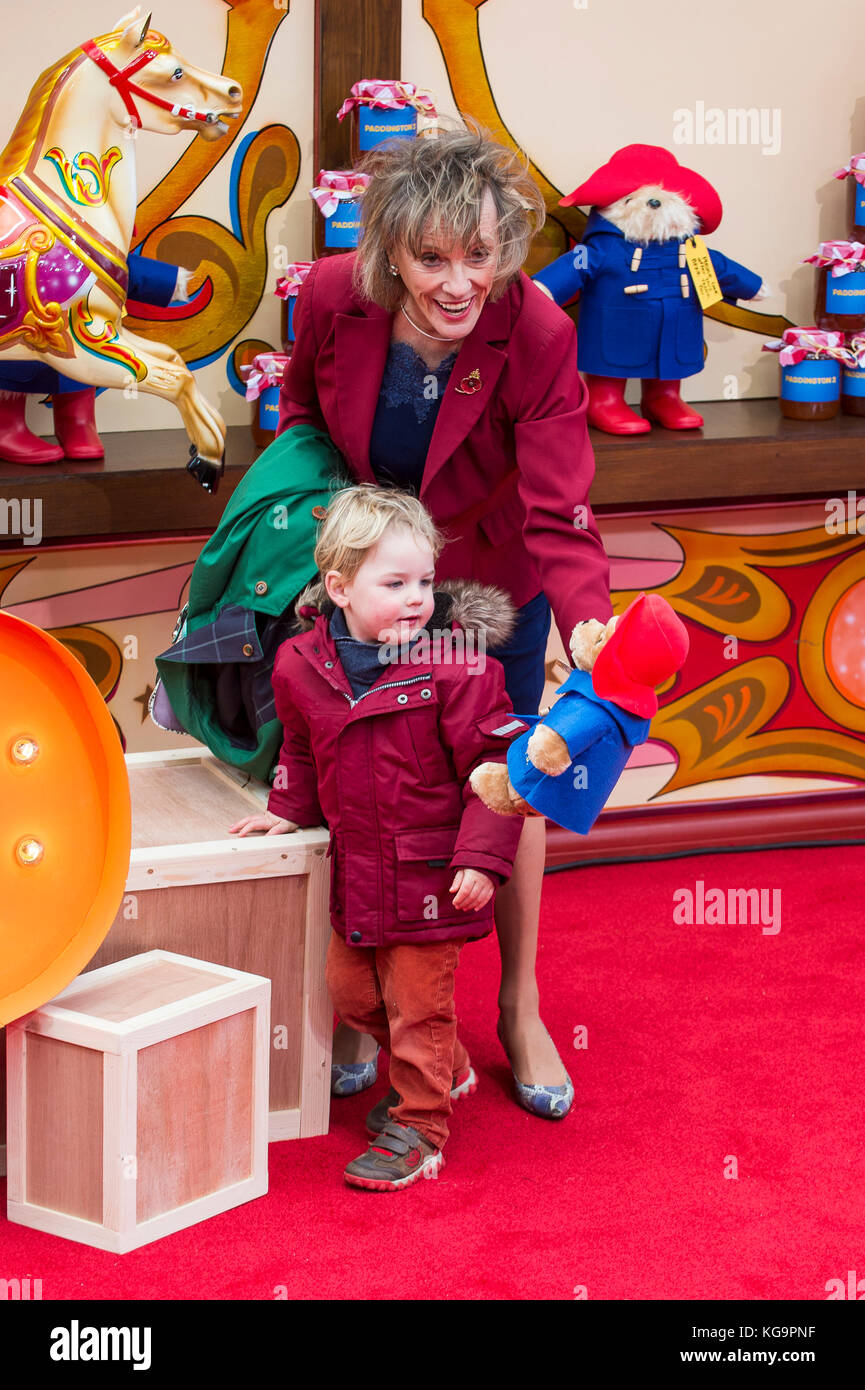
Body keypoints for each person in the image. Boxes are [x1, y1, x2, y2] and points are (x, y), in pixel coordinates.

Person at [274, 121, 613, 1117]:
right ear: (387, 253)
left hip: (488, 579)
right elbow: (300, 419)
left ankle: (517, 1003)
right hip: (366, 571)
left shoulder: (541, 332)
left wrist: (588, 624)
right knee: (348, 764)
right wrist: (320, 552)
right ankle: (356, 992)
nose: (459, 283)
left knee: (502, 776)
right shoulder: (333, 296)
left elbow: (561, 505)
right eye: (431, 259)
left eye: (481, 256)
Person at [229, 485, 525, 1189]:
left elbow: (494, 768)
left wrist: (481, 858)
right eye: (394, 583)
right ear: (339, 587)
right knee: (354, 997)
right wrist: (288, 808)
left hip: (431, 877)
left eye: (424, 580)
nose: (417, 597)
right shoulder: (301, 666)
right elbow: (300, 751)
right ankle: (446, 1067)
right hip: (358, 875)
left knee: (418, 1007)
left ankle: (420, 1126)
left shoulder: (463, 668)